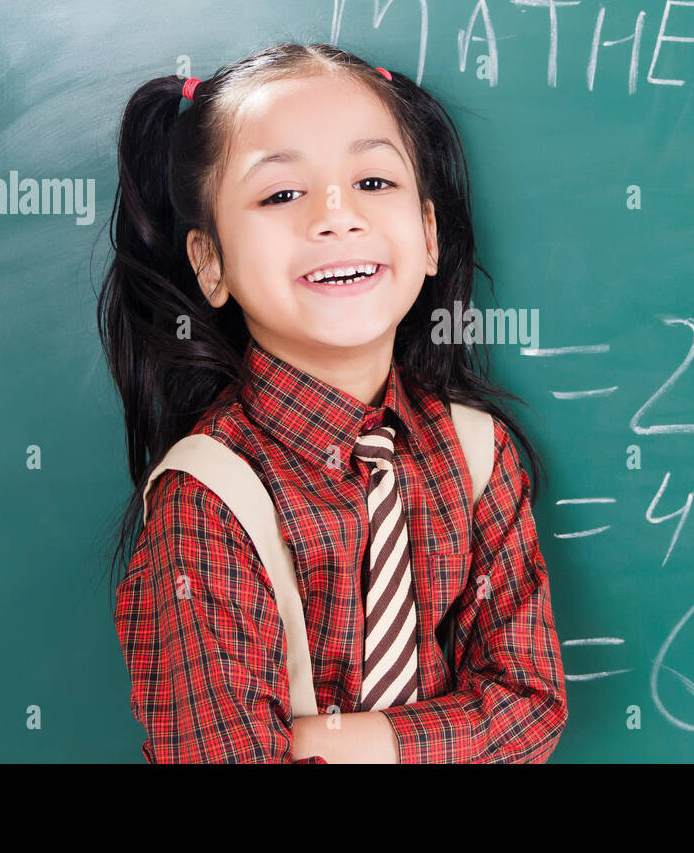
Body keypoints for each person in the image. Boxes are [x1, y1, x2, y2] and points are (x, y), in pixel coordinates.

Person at [97, 42, 566, 762]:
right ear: (210, 263)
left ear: (431, 235)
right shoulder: (210, 499)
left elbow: (529, 709)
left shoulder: (477, 456)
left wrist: (350, 742)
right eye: (282, 194)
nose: (336, 216)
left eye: (374, 181)